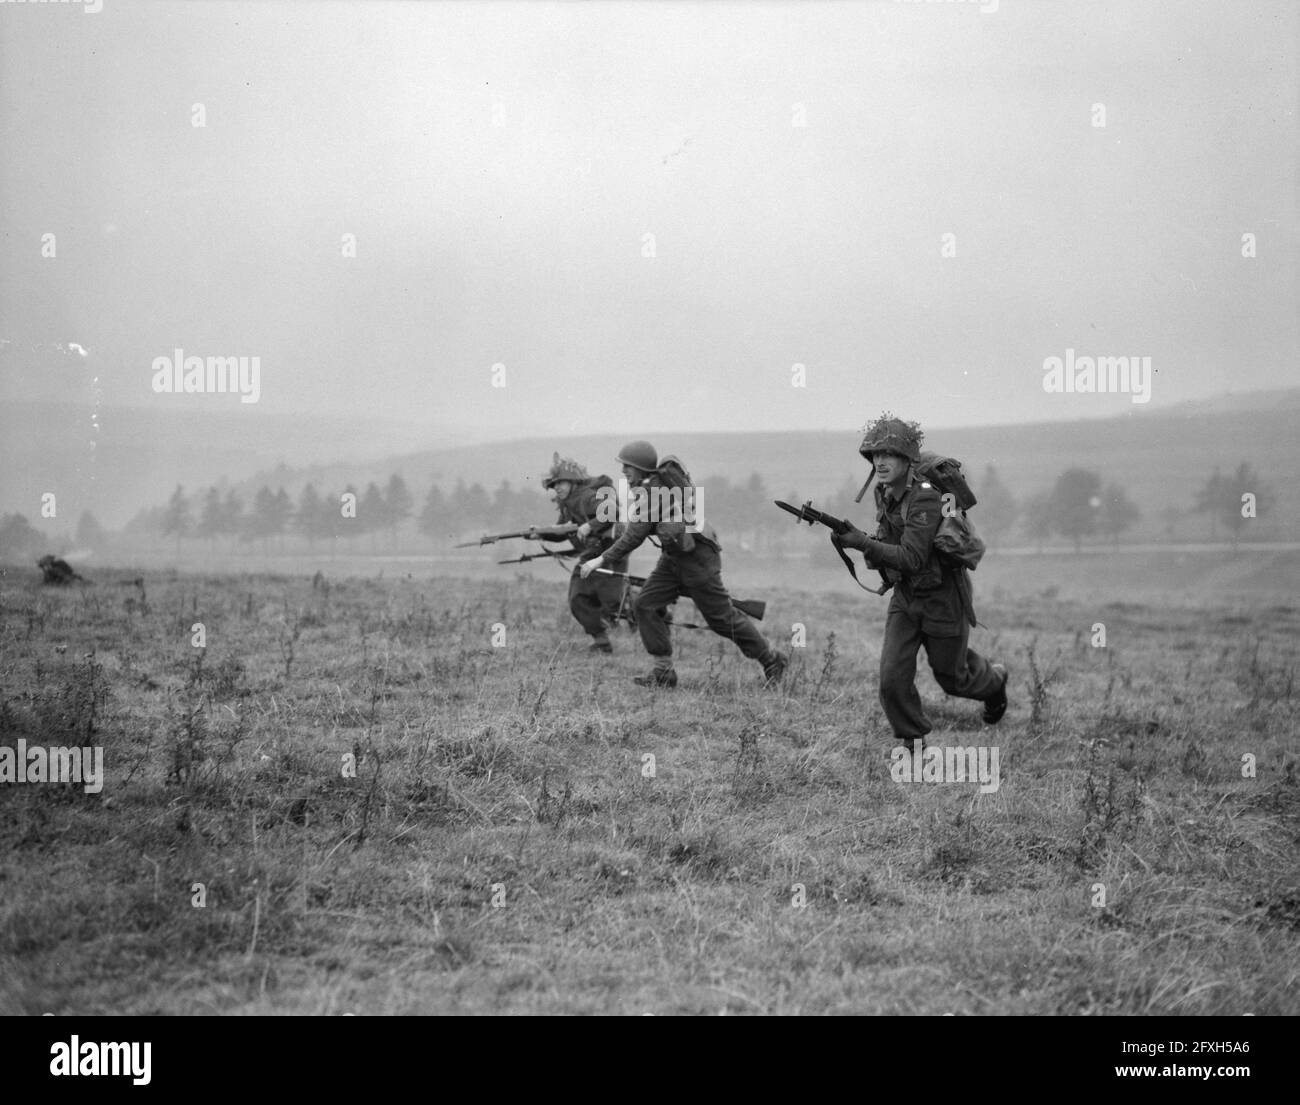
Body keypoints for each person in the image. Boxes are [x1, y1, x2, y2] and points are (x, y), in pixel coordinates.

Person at [831, 414, 1008, 750]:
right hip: (907, 597)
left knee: (952, 678)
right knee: (892, 679)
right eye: (875, 455)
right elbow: (893, 545)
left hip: (942, 597)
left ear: (907, 458)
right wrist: (857, 541)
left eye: (889, 455)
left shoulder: (925, 497)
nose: (881, 462)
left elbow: (912, 557)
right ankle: (913, 743)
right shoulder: (884, 493)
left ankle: (995, 681)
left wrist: (861, 543)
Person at [579, 440, 787, 688]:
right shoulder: (652, 489)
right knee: (645, 605)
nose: (623, 471)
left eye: (628, 466)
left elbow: (635, 535)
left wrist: (600, 559)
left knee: (721, 619)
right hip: (674, 558)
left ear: (641, 467)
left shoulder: (654, 491)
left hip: (698, 561)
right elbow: (639, 526)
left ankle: (771, 659)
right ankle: (663, 672)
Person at [532, 453, 628, 653]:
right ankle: (602, 641)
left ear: (573, 482)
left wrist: (589, 526)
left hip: (611, 548)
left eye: (561, 483)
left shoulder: (585, 497)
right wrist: (540, 535)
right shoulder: (567, 504)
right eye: (553, 485)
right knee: (578, 598)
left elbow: (612, 512)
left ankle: (635, 605)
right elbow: (563, 532)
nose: (557, 487)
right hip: (593, 552)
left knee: (610, 602)